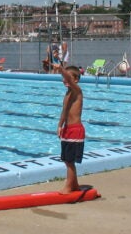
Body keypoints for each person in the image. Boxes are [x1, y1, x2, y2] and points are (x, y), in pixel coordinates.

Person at [55, 63, 84, 195]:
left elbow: (67, 76)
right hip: (68, 129)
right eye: (63, 78)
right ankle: (75, 185)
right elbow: (64, 111)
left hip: (75, 130)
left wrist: (61, 69)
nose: (64, 80)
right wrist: (60, 125)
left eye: (67, 78)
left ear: (75, 80)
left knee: (69, 161)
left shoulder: (77, 91)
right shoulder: (67, 94)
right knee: (67, 159)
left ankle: (68, 187)